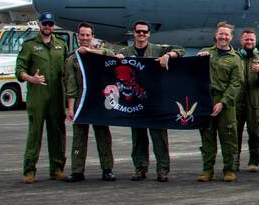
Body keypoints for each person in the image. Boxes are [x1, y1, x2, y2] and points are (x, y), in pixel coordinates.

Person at [114, 21, 182, 181]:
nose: (141, 34)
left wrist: (168, 56)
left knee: (159, 137)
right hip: (135, 101)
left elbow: (180, 50)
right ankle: (140, 168)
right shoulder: (126, 52)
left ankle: (162, 170)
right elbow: (110, 61)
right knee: (138, 137)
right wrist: (117, 58)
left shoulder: (158, 50)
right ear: (134, 33)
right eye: (138, 31)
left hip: (154, 101)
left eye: (144, 32)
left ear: (149, 34)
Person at [16, 13, 68, 184]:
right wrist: (32, 79)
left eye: (50, 24)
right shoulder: (30, 45)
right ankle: (29, 170)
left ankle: (57, 169)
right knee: (35, 133)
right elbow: (19, 69)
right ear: (39, 24)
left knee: (57, 132)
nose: (48, 27)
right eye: (45, 23)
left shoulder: (61, 45)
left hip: (57, 95)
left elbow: (68, 69)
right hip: (37, 95)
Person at [62, 22, 114, 182]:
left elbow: (111, 55)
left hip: (98, 100)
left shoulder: (100, 53)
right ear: (77, 36)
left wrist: (90, 51)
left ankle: (107, 169)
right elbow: (70, 85)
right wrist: (70, 108)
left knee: (103, 135)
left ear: (92, 37)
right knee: (79, 137)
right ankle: (77, 170)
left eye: (88, 35)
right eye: (82, 35)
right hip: (81, 100)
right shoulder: (72, 59)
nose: (85, 38)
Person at [198, 22, 244, 182]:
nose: (223, 37)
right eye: (221, 34)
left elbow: (236, 83)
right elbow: (193, 73)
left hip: (226, 102)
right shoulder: (205, 53)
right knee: (207, 138)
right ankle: (207, 170)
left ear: (231, 37)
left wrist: (223, 102)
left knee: (229, 138)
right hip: (207, 100)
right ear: (215, 35)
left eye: (226, 34)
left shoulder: (235, 58)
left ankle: (229, 170)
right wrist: (199, 60)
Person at [233, 28, 259, 172]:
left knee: (254, 132)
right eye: (246, 39)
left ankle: (254, 161)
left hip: (254, 102)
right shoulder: (235, 57)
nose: (249, 42)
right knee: (235, 133)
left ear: (255, 41)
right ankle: (234, 162)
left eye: (252, 40)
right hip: (237, 100)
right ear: (241, 41)